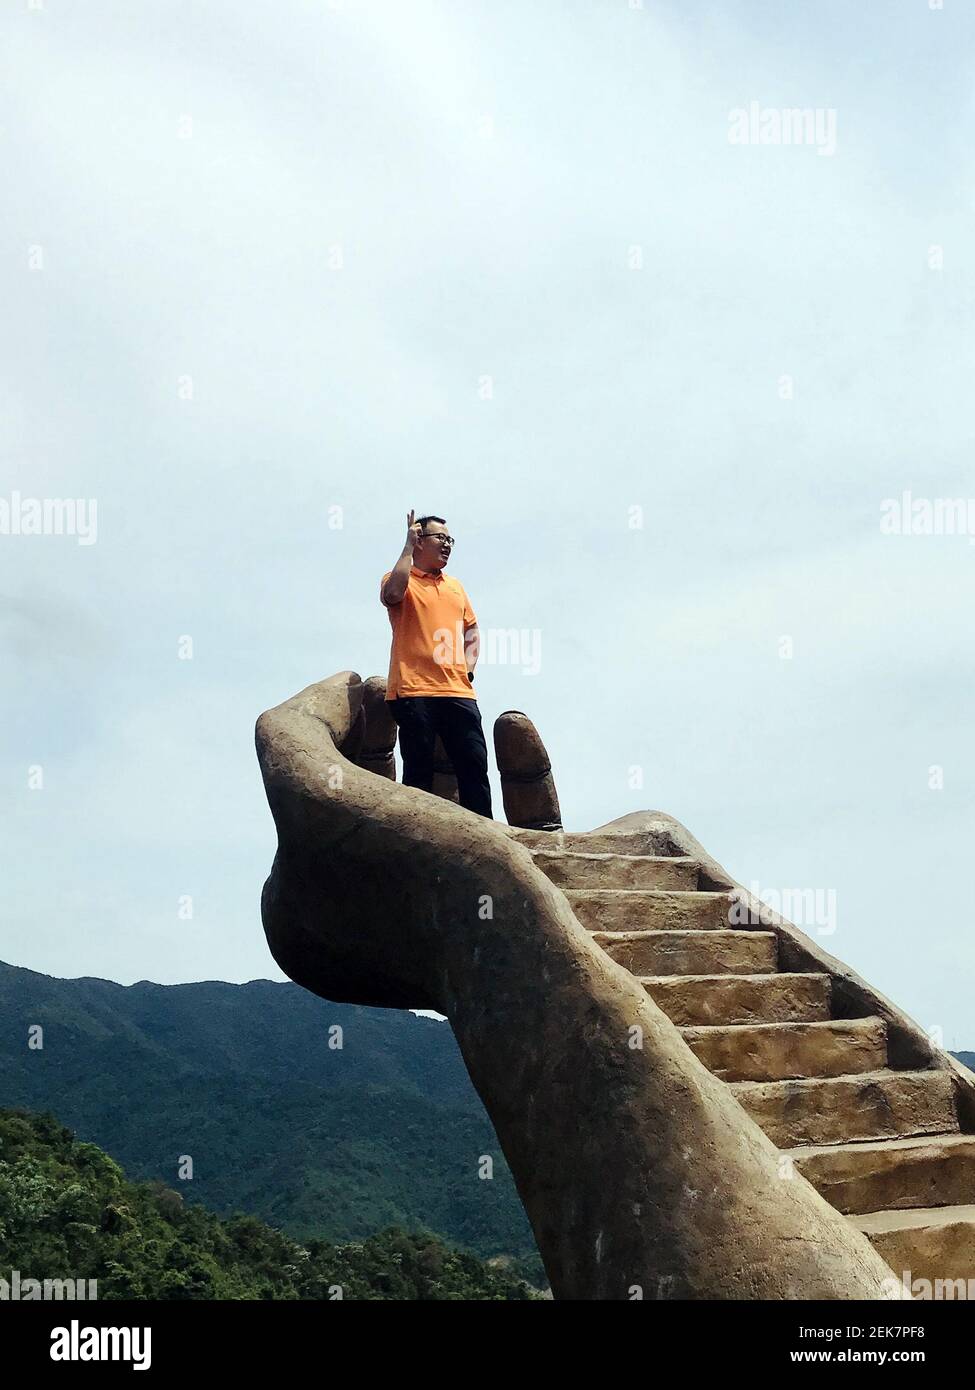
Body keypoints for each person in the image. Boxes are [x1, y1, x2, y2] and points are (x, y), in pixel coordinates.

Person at [380, 512, 493, 818]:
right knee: (418, 774)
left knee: (474, 768)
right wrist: (405, 547)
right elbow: (392, 596)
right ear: (419, 542)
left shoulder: (456, 586)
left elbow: (472, 629)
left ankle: (487, 842)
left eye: (449, 539)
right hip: (413, 690)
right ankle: (416, 842)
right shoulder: (398, 579)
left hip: (458, 692)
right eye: (440, 538)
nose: (447, 545)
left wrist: (469, 668)